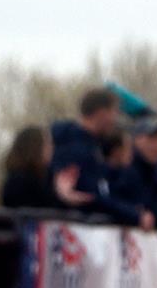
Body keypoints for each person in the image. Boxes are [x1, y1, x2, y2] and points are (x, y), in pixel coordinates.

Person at [50, 88, 149, 227]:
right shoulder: (74, 148)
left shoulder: (93, 146)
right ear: (102, 113)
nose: (115, 119)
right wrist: (133, 215)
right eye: (114, 112)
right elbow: (89, 196)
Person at [0, 126, 62, 210]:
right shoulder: (19, 182)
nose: (52, 148)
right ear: (35, 148)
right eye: (48, 144)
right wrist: (61, 195)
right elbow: (42, 213)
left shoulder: (43, 177)